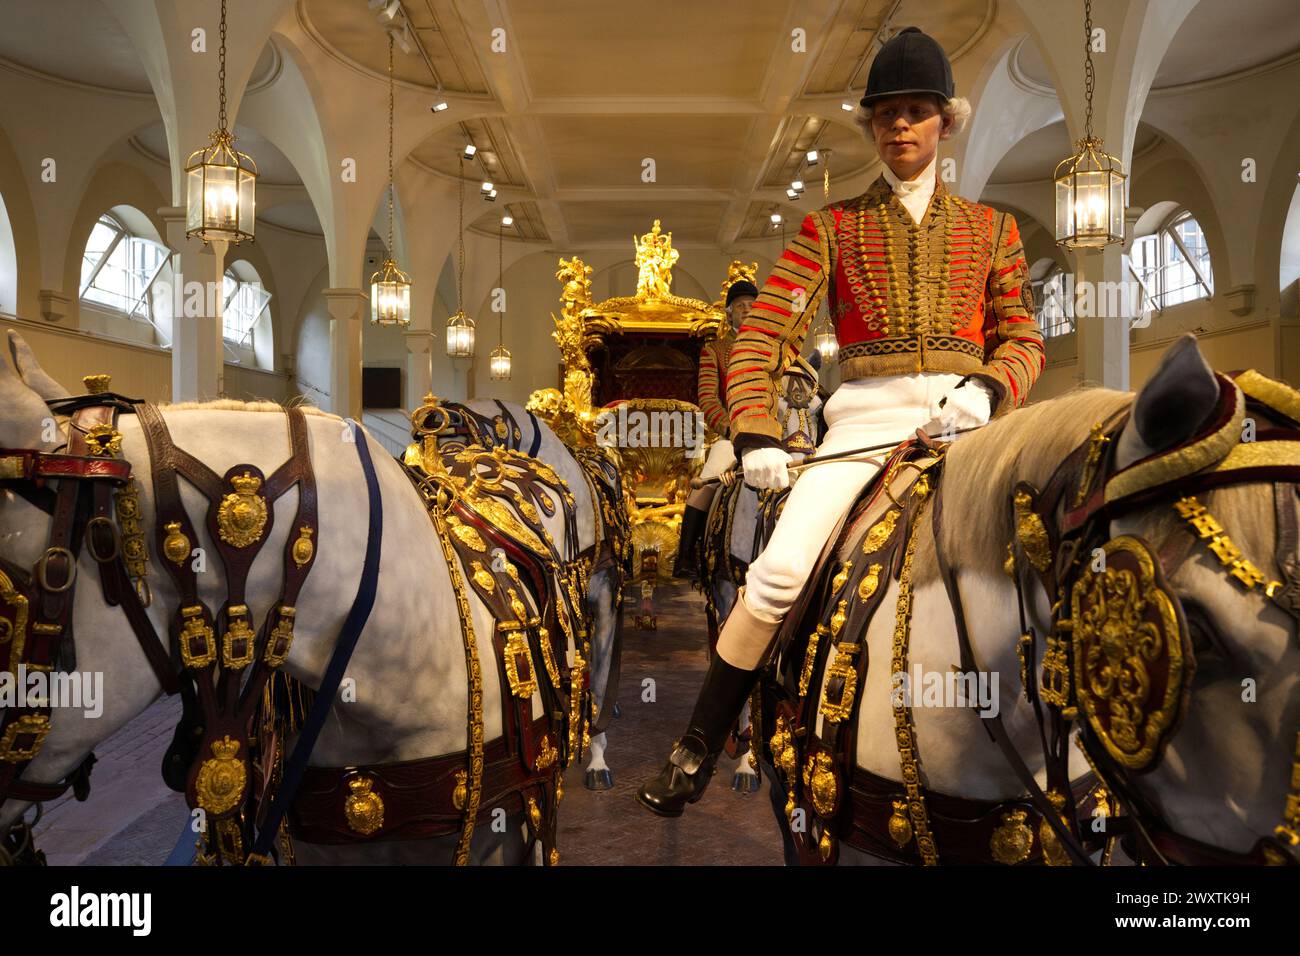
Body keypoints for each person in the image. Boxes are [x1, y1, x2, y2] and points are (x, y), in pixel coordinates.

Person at [638, 26, 1045, 816]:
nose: (901, 125)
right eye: (887, 112)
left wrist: (989, 390)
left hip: (969, 427)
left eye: (918, 111)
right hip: (861, 430)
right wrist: (753, 430)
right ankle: (696, 747)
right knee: (777, 574)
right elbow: (762, 337)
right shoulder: (831, 228)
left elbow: (1023, 334)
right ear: (871, 125)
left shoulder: (994, 230)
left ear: (945, 122)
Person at [672, 278, 758, 580]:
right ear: (730, 314)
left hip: (769, 436)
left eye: (752, 306)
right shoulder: (716, 351)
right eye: (741, 306)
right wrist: (730, 429)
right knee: (707, 484)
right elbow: (707, 397)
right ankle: (686, 556)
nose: (747, 310)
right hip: (732, 436)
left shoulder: (772, 349)